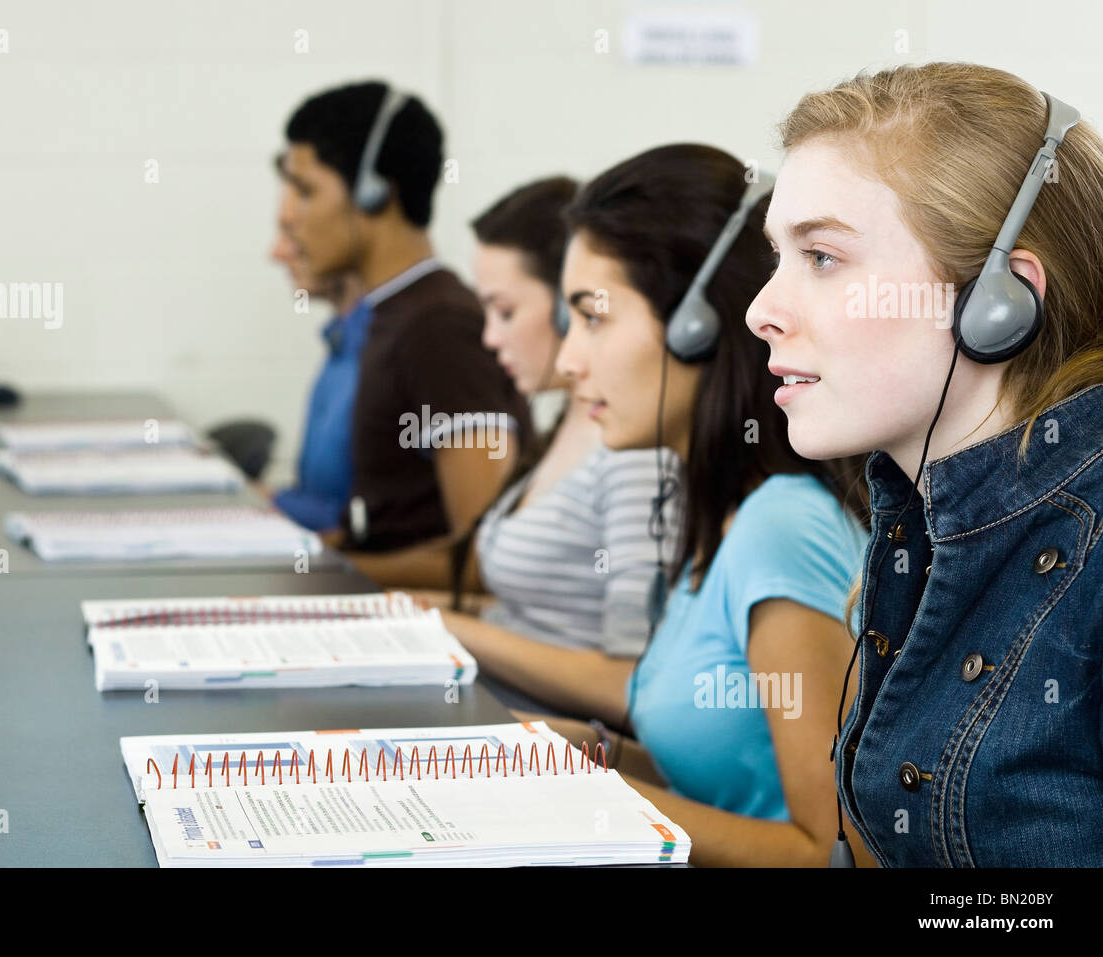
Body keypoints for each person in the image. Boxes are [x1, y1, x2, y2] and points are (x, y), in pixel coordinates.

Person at [750, 62, 1103, 867]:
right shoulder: (921, 521)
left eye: (823, 257)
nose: (761, 309)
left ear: (996, 301)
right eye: (779, 254)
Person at [507, 143, 873, 867]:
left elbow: (831, 850)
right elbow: (723, 790)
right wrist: (585, 752)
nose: (568, 359)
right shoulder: (723, 514)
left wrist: (595, 788)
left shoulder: (781, 527)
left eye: (593, 318)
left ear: (696, 326)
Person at [420, 176, 684, 716]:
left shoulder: (631, 451)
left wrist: (445, 624)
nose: (490, 337)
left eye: (505, 311)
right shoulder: (566, 425)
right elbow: (531, 617)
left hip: (557, 733)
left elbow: (633, 681)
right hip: (498, 702)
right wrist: (421, 614)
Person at [276, 81, 530, 583]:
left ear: (375, 194)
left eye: (306, 191)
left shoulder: (437, 328)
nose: (288, 217)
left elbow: (480, 560)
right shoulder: (390, 317)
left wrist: (331, 573)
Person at [264, 224, 367, 526]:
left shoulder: (382, 350)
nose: (277, 253)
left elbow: (366, 528)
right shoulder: (340, 343)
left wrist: (269, 501)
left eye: (292, 234)